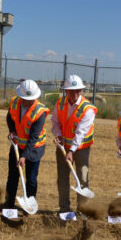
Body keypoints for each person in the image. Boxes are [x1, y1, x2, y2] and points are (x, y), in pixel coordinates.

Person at [51, 74, 98, 214]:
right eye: (71, 91)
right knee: (62, 178)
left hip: (81, 148)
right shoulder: (60, 103)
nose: (75, 94)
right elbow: (55, 122)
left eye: (78, 90)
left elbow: (80, 133)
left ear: (82, 91)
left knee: (82, 178)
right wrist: (58, 135)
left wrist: (71, 151)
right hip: (63, 146)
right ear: (66, 91)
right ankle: (64, 209)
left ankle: (82, 210)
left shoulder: (87, 109)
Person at [3, 80, 49, 209]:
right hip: (16, 146)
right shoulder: (14, 102)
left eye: (30, 99)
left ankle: (29, 205)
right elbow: (9, 118)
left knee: (31, 179)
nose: (26, 102)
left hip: (34, 149)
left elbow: (34, 137)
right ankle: (9, 204)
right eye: (24, 99)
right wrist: (12, 130)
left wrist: (24, 156)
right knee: (12, 176)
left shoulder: (40, 112)